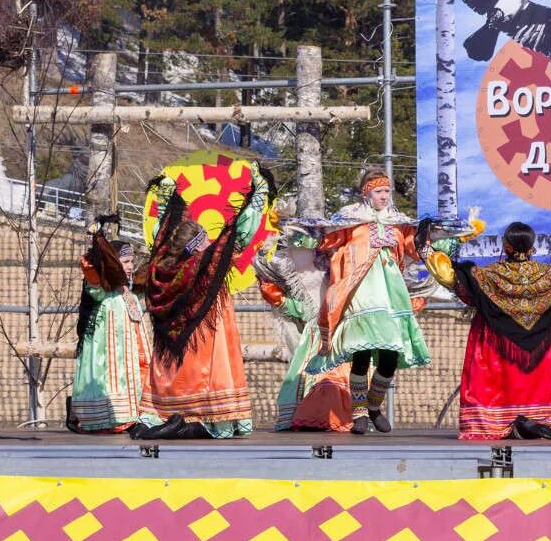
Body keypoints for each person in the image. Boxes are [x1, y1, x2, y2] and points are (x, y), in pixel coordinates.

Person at [419, 217, 551, 440]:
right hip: (543, 351)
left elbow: (450, 276)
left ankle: (497, 422)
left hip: (495, 348)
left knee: (497, 381)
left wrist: (426, 248)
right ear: (532, 248)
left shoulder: (486, 276)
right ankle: (540, 418)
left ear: (506, 247)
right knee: (539, 380)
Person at [135, 165, 270, 439]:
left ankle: (155, 419)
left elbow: (163, 233)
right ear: (198, 244)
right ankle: (191, 425)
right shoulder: (207, 266)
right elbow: (239, 236)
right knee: (208, 387)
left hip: (171, 348)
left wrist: (167, 200)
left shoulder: (163, 266)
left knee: (169, 375)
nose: (209, 242)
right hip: (205, 340)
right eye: (205, 239)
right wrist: (259, 194)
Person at [305, 169, 430, 435]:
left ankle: (374, 406)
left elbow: (416, 248)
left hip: (391, 294)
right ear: (366, 193)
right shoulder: (351, 220)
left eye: (387, 191)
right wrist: (304, 235)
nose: (384, 196)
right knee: (361, 353)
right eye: (378, 191)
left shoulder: (398, 222)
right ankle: (360, 412)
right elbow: (327, 240)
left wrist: (439, 237)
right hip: (361, 292)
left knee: (390, 355)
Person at [256, 226, 353, 432]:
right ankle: (308, 416)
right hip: (314, 334)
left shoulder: (337, 265)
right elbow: (308, 311)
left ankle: (328, 415)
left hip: (337, 332)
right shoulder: (297, 277)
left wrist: (282, 302)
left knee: (331, 375)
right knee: (304, 375)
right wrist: (281, 301)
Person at [68, 233, 149, 433]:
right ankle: (112, 416)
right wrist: (98, 245)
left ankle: (133, 413)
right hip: (109, 356)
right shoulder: (102, 291)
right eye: (125, 262)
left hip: (131, 355)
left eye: (131, 262)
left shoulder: (128, 292)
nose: (130, 266)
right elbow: (92, 278)